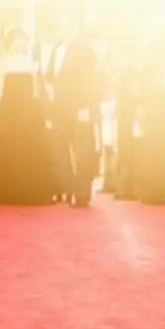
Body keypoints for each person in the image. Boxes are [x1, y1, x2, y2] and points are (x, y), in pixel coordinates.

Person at [0, 28, 56, 205]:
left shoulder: (32, 63)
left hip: (30, 113)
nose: (21, 44)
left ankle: (34, 189)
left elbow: (38, 90)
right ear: (11, 43)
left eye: (24, 40)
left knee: (31, 148)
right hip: (8, 112)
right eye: (18, 40)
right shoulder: (2, 63)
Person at [43, 21, 102, 207]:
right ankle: (69, 187)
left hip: (80, 107)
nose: (64, 30)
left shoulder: (86, 51)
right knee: (59, 147)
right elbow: (50, 78)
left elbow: (91, 80)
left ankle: (81, 193)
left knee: (83, 150)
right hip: (59, 106)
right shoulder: (56, 50)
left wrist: (86, 107)